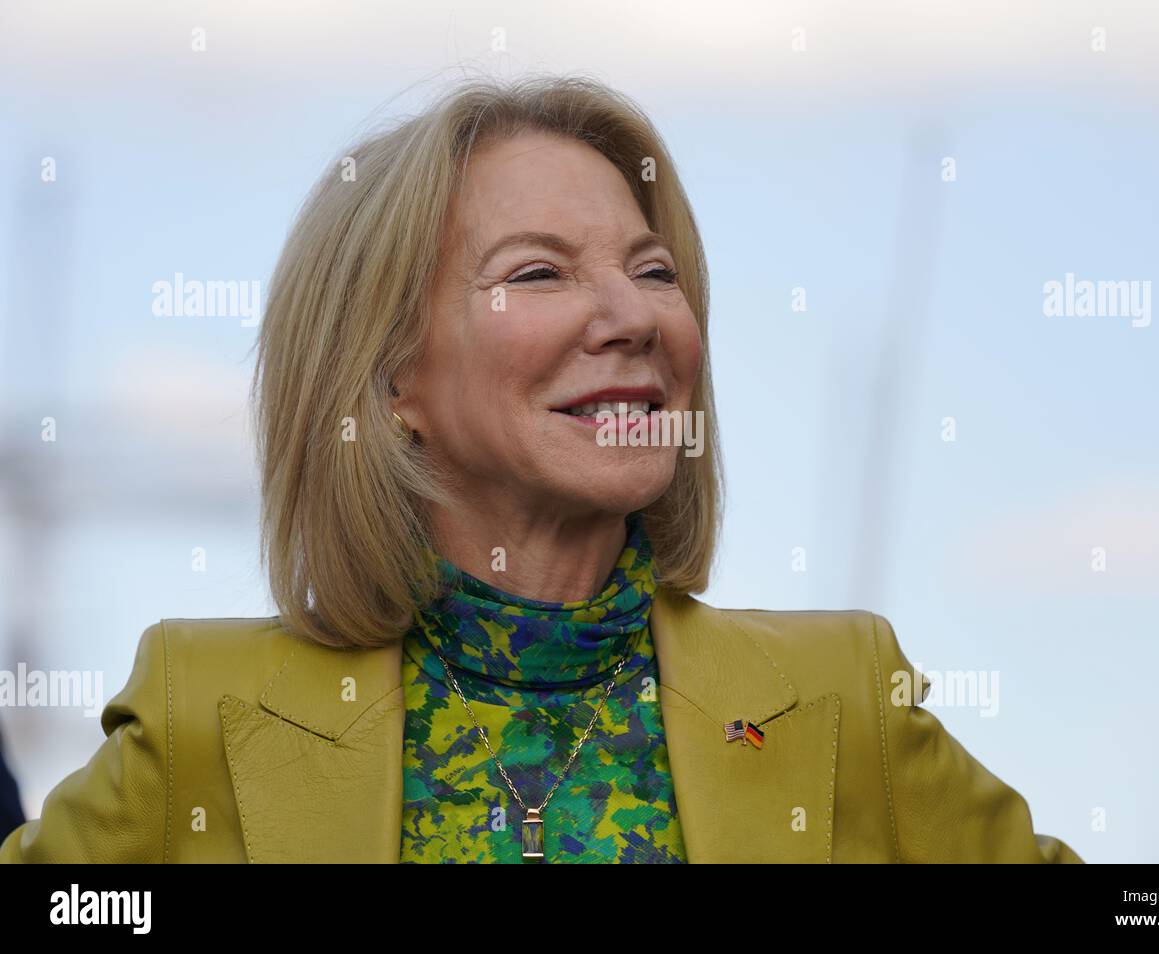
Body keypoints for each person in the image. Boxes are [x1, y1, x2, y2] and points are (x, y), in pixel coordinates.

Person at [0, 74, 1081, 863]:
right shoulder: (205, 716)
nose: (631, 317)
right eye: (538, 273)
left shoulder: (840, 699)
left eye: (652, 270)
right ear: (387, 381)